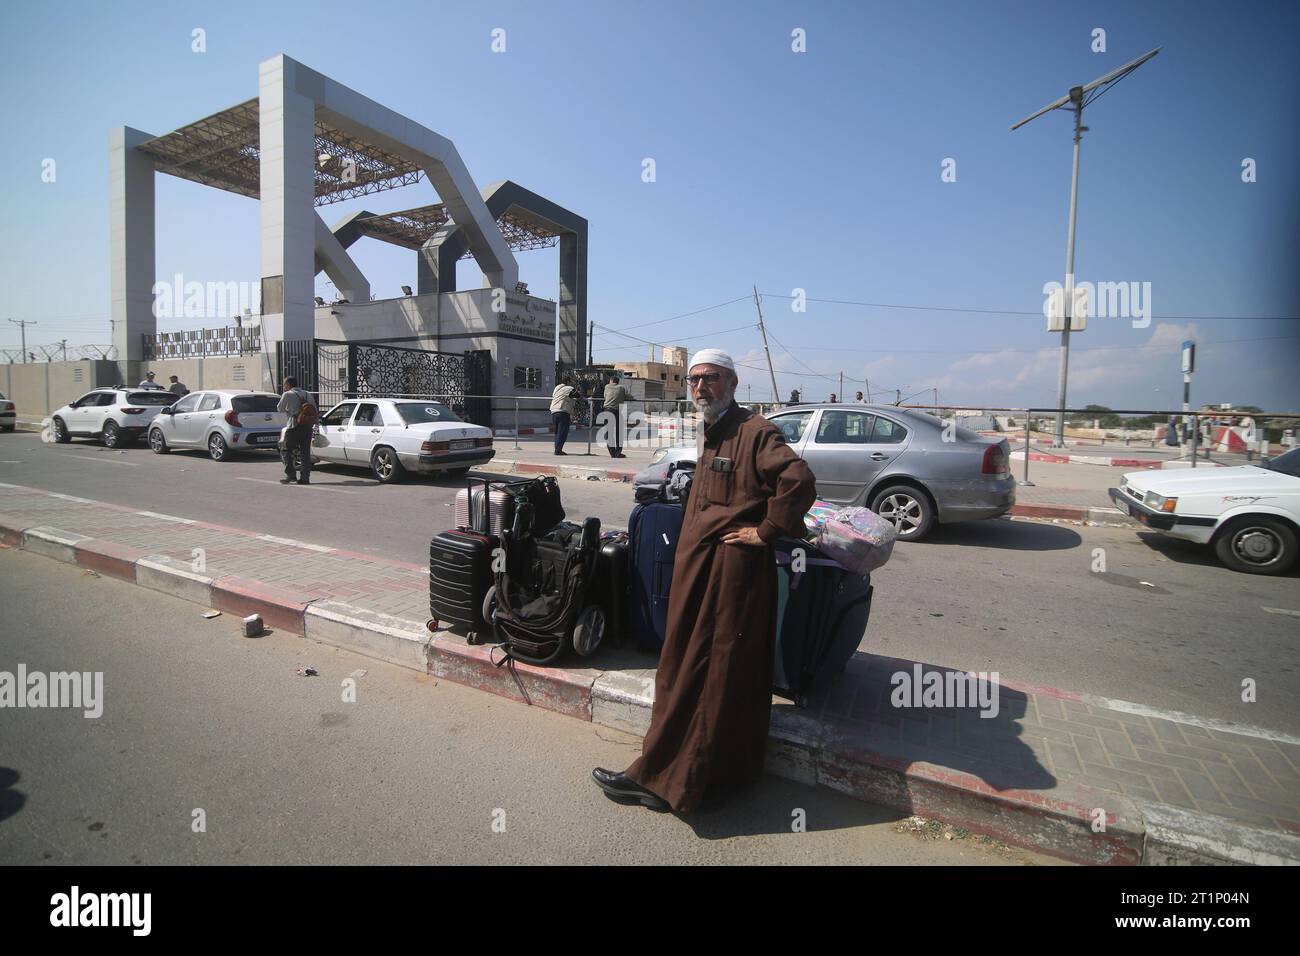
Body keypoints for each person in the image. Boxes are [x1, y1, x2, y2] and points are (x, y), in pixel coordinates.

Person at [592, 348, 817, 813]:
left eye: (711, 379)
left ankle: (662, 780)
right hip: (703, 574)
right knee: (718, 674)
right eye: (694, 380)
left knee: (695, 672)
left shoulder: (753, 431)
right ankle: (721, 775)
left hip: (725, 579)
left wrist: (767, 532)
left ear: (733, 383)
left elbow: (798, 480)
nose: (700, 387)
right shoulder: (713, 431)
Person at [276, 377, 315, 485]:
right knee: (305, 453)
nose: (283, 387)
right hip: (307, 427)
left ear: (288, 384)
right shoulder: (308, 394)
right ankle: (305, 478)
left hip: (293, 426)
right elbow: (314, 410)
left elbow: (279, 409)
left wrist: (290, 409)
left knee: (285, 450)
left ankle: (291, 475)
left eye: (284, 385)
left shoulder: (287, 394)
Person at [601, 372, 633, 458]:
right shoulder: (622, 388)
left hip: (607, 411)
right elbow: (628, 396)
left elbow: (605, 396)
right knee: (619, 433)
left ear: (611, 381)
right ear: (618, 382)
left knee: (609, 433)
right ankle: (618, 452)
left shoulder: (607, 387)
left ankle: (612, 453)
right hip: (617, 411)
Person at [551, 375, 577, 455]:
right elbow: (578, 395)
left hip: (553, 411)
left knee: (557, 432)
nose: (572, 383)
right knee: (562, 432)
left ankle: (557, 448)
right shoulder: (569, 388)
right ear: (568, 382)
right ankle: (558, 450)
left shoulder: (556, 388)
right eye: (571, 381)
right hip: (562, 411)